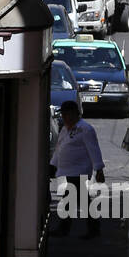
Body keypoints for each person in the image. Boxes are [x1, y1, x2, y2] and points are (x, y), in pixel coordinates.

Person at [50, 100, 106, 238]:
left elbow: (94, 150)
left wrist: (99, 169)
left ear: (75, 114)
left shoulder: (85, 129)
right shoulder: (65, 129)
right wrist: (53, 165)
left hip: (79, 171)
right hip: (67, 171)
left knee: (73, 200)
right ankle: (90, 228)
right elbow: (59, 149)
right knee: (78, 201)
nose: (64, 117)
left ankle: (68, 228)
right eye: (62, 115)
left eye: (66, 114)